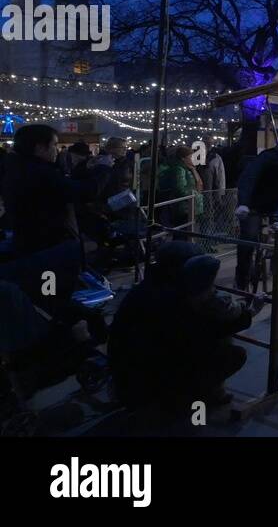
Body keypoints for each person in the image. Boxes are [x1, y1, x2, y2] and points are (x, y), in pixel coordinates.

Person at [109, 242, 258, 415]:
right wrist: (249, 313)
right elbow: (204, 333)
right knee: (234, 354)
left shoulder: (148, 287)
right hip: (147, 388)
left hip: (126, 379)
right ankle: (188, 399)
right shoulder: (174, 298)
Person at [1, 125, 111, 257]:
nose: (57, 151)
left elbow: (66, 186)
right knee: (51, 277)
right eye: (54, 145)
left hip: (29, 241)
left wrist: (86, 169)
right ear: (40, 147)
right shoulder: (38, 172)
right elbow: (84, 192)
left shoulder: (17, 167)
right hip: (46, 246)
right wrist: (103, 168)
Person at [233, 141, 278, 290]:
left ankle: (277, 263)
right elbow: (248, 178)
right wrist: (244, 203)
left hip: (273, 204)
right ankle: (242, 278)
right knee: (249, 239)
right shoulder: (266, 159)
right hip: (253, 205)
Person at [156, 146, 203, 228]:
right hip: (185, 208)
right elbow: (180, 189)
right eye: (191, 156)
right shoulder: (179, 169)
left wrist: (194, 170)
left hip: (191, 207)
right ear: (183, 158)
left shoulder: (189, 169)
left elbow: (200, 184)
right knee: (184, 233)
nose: (193, 159)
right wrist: (195, 194)